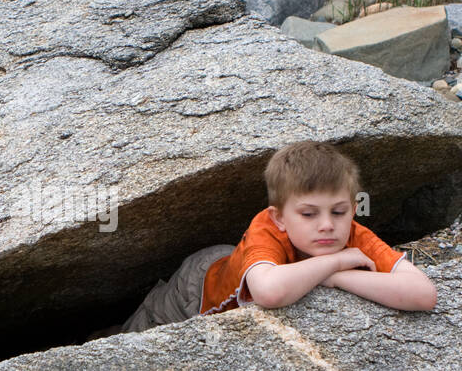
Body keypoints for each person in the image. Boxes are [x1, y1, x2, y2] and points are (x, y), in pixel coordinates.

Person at [107, 140, 437, 337]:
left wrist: (339, 278)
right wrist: (334, 262)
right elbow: (269, 291)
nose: (326, 226)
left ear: (353, 209)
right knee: (132, 337)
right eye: (308, 214)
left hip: (248, 267)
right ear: (279, 216)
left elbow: (423, 295)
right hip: (195, 291)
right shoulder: (266, 227)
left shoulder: (351, 232)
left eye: (338, 212)